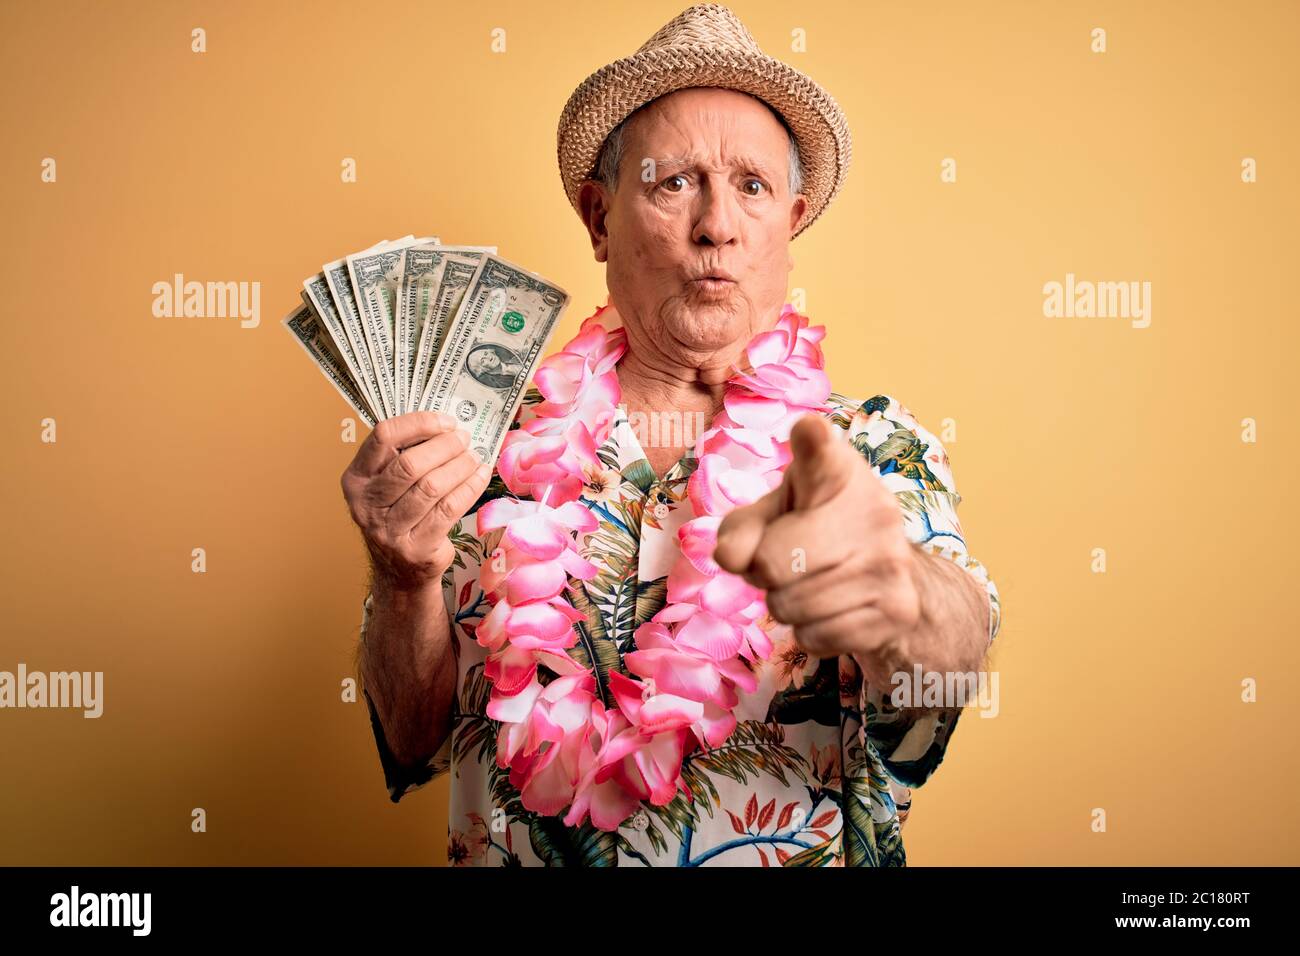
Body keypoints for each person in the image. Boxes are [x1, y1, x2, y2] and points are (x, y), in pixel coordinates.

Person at [343, 3, 1000, 866]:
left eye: (753, 188)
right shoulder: (471, 449)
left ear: (791, 225)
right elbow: (415, 739)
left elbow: (947, 676)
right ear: (598, 217)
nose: (717, 224)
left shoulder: (870, 449)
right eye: (674, 181)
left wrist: (903, 590)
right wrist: (401, 578)